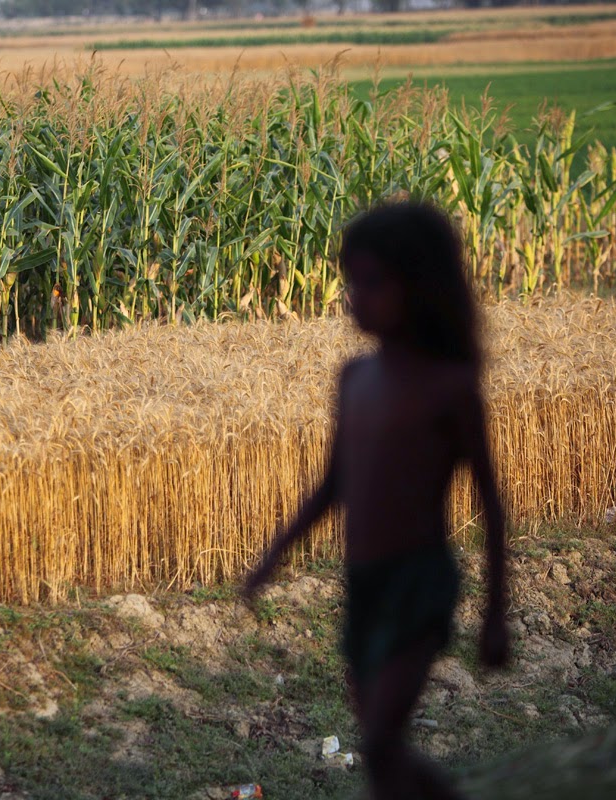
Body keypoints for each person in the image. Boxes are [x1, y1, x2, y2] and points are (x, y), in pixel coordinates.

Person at [242, 201, 509, 800]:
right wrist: (273, 557)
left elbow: (490, 506)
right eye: (349, 283)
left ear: (417, 287)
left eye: (369, 283)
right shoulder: (353, 379)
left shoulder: (449, 389)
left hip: (420, 582)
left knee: (382, 739)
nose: (353, 298)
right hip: (362, 584)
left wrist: (495, 613)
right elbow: (333, 484)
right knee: (379, 750)